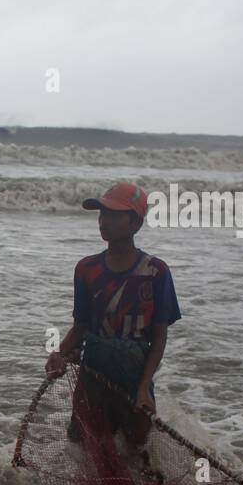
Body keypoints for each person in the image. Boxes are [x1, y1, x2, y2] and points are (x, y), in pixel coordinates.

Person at [45, 182, 181, 465]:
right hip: (93, 374)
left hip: (133, 379)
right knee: (85, 451)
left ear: (135, 223)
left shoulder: (156, 272)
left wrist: (144, 388)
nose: (103, 221)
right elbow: (81, 327)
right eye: (102, 214)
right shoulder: (86, 269)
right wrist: (59, 354)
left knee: (136, 453)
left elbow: (158, 337)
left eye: (114, 215)